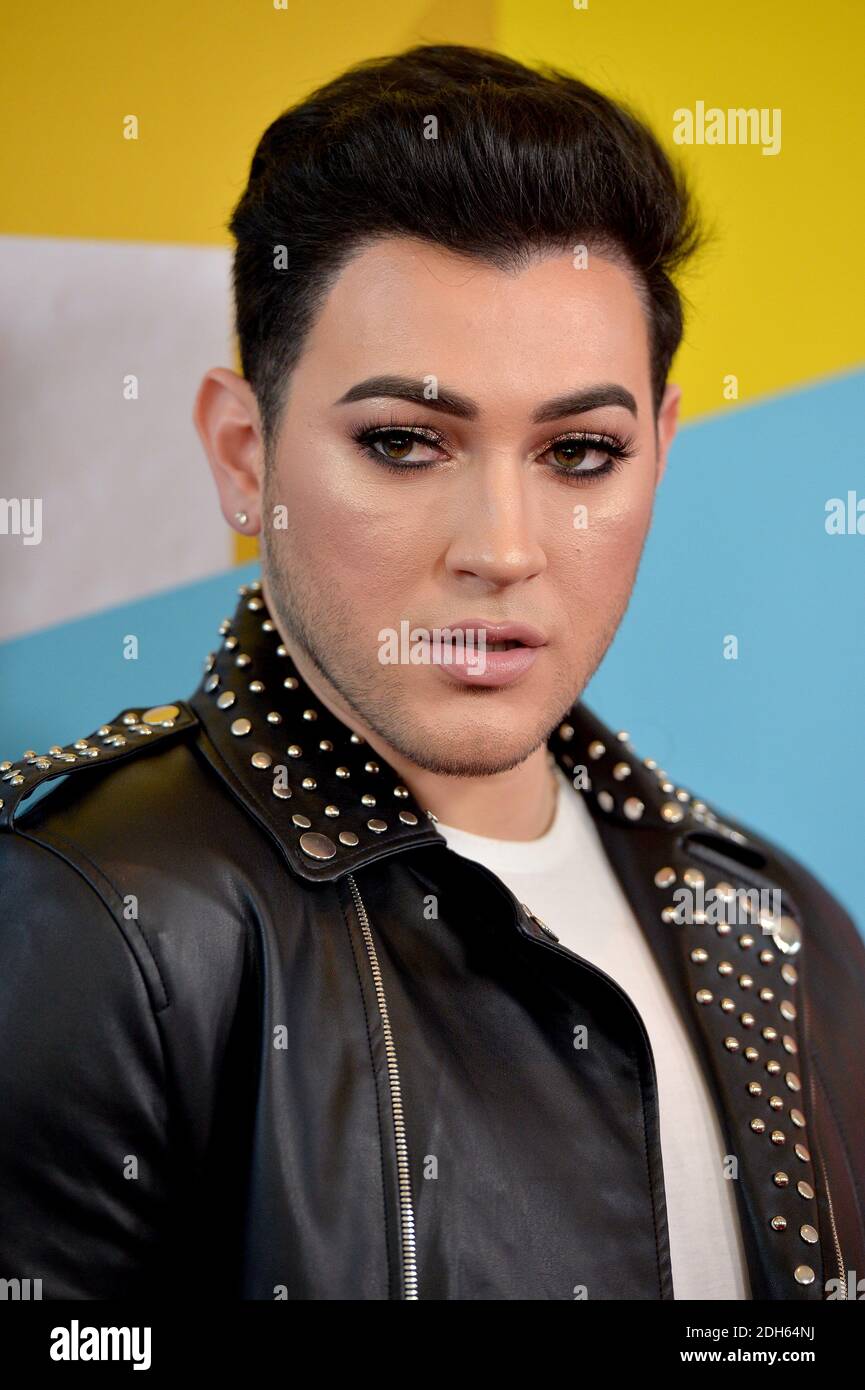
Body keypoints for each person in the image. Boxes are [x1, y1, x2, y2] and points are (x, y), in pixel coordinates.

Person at [1, 43, 862, 1302]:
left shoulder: (777, 926)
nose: (501, 551)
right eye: (405, 441)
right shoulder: (83, 919)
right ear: (245, 456)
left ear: (662, 453)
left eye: (579, 451)